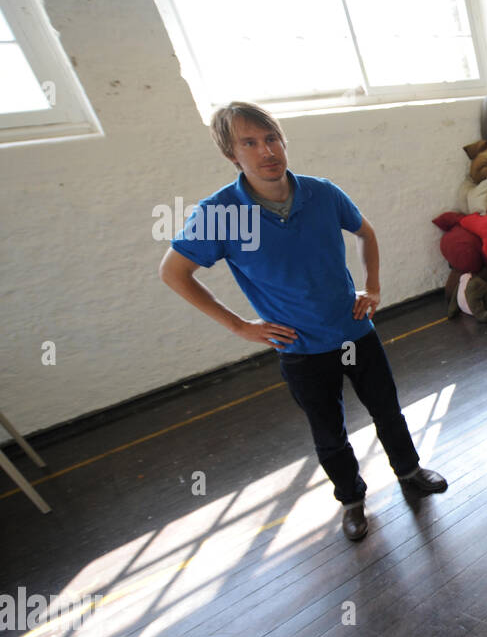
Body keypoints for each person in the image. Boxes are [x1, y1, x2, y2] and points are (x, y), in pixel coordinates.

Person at [159, 102, 447, 542]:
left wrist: (372, 287)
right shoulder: (220, 214)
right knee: (329, 432)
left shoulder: (322, 192)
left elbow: (365, 232)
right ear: (231, 155)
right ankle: (351, 500)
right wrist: (240, 326)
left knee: (387, 410)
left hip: (354, 331)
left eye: (271, 138)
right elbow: (174, 273)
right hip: (300, 348)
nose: (266, 150)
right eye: (250, 143)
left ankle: (409, 472)